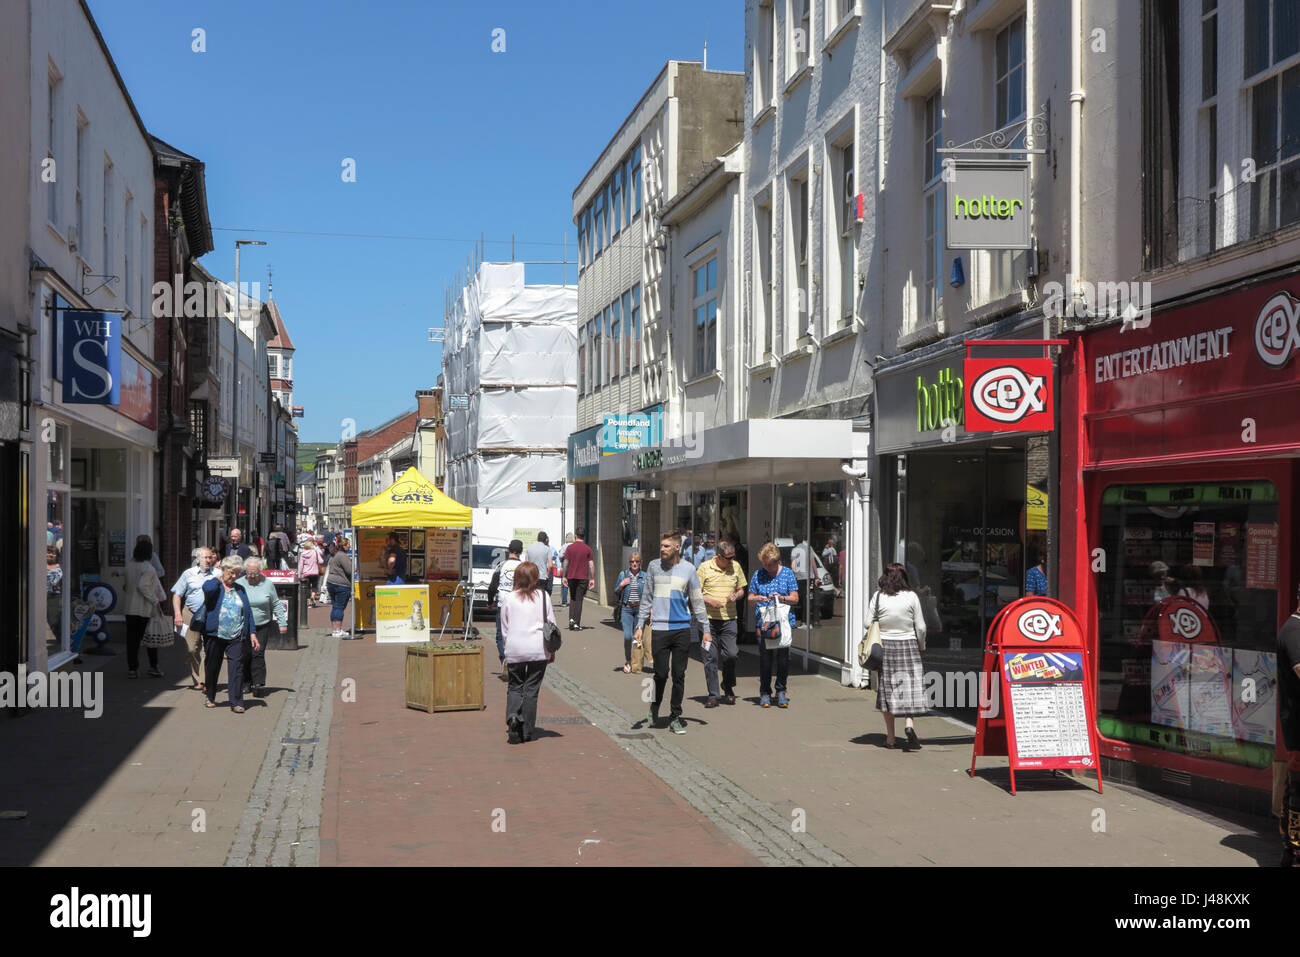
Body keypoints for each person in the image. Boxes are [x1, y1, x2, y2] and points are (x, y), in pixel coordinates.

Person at [634, 530, 709, 735]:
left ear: (677, 547)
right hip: (659, 628)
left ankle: (675, 716)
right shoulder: (653, 567)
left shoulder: (688, 569)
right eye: (662, 546)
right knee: (660, 673)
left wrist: (706, 629)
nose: (662, 549)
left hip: (682, 629)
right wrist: (639, 625)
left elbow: (697, 600)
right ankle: (654, 705)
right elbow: (646, 598)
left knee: (679, 675)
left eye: (666, 546)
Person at [868, 562, 928, 750]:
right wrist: (921, 645)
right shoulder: (911, 597)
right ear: (904, 577)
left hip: (886, 647)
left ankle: (891, 738)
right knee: (910, 689)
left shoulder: (878, 597)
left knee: (888, 693)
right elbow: (921, 627)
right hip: (909, 645)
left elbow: (866, 623)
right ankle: (909, 724)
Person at [500, 561, 558, 744]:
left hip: (515, 648)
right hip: (538, 649)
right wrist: (551, 650)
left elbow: (504, 628)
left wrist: (506, 650)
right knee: (531, 690)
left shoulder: (509, 598)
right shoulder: (543, 596)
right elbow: (552, 624)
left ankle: (513, 718)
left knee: (515, 686)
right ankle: (527, 730)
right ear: (535, 578)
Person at [200, 555, 257, 712]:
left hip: (236, 636)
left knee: (237, 668)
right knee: (212, 667)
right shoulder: (215, 586)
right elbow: (206, 589)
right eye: (231, 572)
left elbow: (248, 612)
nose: (234, 576)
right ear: (223, 570)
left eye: (237, 573)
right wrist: (218, 579)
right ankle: (210, 696)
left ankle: (237, 702)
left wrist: (252, 633)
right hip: (215, 635)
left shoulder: (240, 589)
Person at [748, 543, 799, 709]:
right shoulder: (758, 574)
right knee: (765, 659)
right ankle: (764, 692)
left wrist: (782, 598)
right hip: (764, 623)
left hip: (783, 622)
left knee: (784, 659)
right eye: (764, 564)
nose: (766, 567)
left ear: (777, 561)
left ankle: (781, 690)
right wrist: (759, 598)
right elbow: (750, 598)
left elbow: (795, 598)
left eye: (769, 564)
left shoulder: (787, 574)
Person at [697, 540, 746, 707]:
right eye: (728, 558)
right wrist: (709, 600)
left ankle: (728, 685)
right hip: (708, 621)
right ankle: (713, 695)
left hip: (729, 619)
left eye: (733, 557)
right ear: (718, 556)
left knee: (731, 654)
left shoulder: (736, 566)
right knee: (710, 657)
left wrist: (736, 596)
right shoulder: (704, 568)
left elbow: (741, 589)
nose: (731, 561)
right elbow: (694, 593)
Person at [237, 556, 286, 698]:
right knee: (245, 654)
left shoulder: (267, 583)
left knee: (257, 653)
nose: (252, 576)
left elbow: (276, 603)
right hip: (243, 625)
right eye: (249, 573)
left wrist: (282, 623)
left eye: (255, 573)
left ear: (260, 571)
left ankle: (258, 683)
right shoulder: (239, 584)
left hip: (262, 624)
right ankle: (246, 682)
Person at [1277, 582, 1300, 866]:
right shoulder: (1294, 632)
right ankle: (1295, 852)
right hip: (1298, 727)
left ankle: (1289, 850)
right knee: (1298, 792)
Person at [172, 547, 218, 690]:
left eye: (210, 557)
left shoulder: (218, 574)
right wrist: (178, 614)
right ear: (198, 559)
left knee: (209, 649)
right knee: (191, 649)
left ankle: (205, 680)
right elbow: (177, 594)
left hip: (211, 614)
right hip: (190, 614)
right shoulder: (188, 574)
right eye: (205, 557)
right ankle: (197, 678)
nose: (208, 560)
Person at [124, 540, 166, 679]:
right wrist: (154, 600)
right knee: (150, 638)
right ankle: (154, 666)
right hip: (144, 608)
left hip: (129, 608)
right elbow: (143, 586)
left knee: (132, 640)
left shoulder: (129, 566)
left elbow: (127, 586)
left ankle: (132, 669)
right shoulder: (148, 568)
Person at [488, 540, 524, 678]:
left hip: (502, 604)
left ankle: (505, 659)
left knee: (501, 634)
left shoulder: (501, 565)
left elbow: (492, 586)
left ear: (509, 550)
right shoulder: (523, 567)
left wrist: (490, 601)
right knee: (516, 633)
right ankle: (515, 662)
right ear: (520, 552)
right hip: (519, 605)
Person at [613, 552, 646, 674]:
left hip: (640, 610)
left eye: (637, 561)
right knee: (628, 636)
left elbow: (648, 595)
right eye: (632, 562)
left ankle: (636, 662)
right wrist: (621, 585)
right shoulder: (623, 575)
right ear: (629, 563)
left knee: (638, 638)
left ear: (641, 563)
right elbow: (616, 592)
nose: (634, 564)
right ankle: (628, 660)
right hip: (626, 609)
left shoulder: (645, 577)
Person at [563, 527, 595, 631]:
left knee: (572, 598)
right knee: (579, 600)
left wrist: (564, 576)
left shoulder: (570, 548)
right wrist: (592, 578)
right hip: (583, 577)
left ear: (576, 535)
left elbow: (566, 563)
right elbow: (591, 565)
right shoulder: (587, 549)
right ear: (584, 536)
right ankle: (577, 623)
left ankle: (571, 619)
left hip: (571, 576)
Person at [325, 540, 354, 638]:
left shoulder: (336, 555)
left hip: (331, 582)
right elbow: (349, 570)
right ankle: (337, 630)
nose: (349, 546)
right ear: (344, 546)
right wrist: (354, 568)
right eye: (348, 544)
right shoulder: (343, 556)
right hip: (341, 584)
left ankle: (335, 629)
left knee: (335, 606)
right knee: (339, 607)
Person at [298, 537, 325, 607]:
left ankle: (309, 602)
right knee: (314, 586)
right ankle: (313, 596)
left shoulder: (303, 554)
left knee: (307, 588)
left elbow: (300, 565)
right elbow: (321, 561)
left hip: (306, 573)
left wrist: (299, 574)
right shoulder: (315, 552)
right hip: (315, 573)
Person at [558, 533, 574, 604]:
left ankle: (564, 602)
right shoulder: (574, 545)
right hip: (574, 567)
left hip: (566, 566)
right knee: (573, 584)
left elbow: (560, 555)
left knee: (565, 584)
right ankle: (573, 601)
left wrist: (562, 560)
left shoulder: (564, 546)